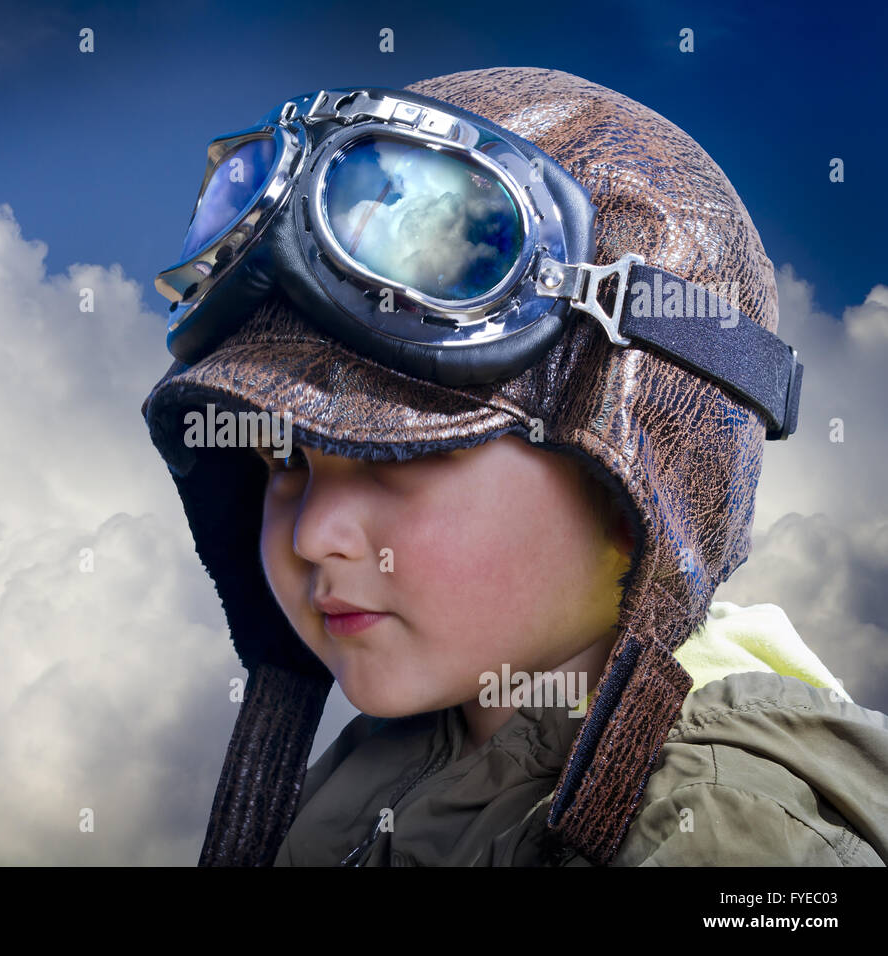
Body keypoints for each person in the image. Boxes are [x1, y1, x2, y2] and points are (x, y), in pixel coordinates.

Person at [140, 67, 888, 865]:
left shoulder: (726, 826)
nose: (316, 533)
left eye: (398, 453)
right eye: (283, 457)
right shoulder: (393, 762)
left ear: (626, 491)